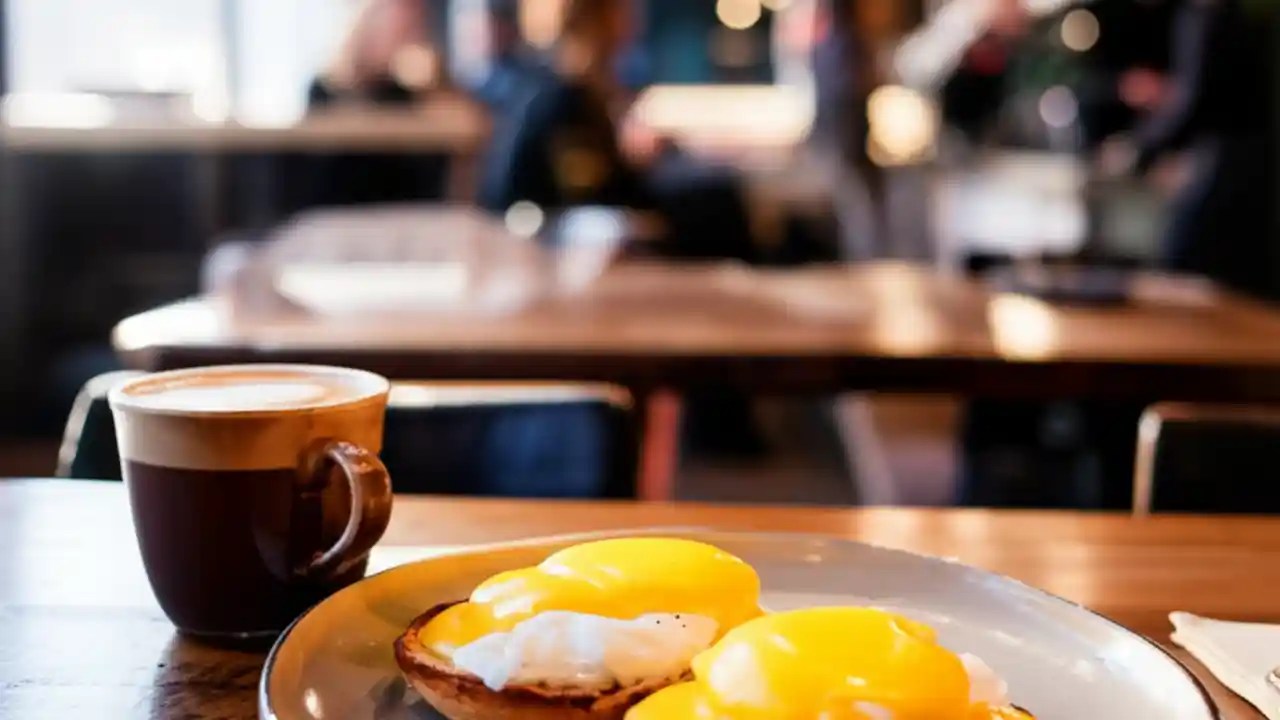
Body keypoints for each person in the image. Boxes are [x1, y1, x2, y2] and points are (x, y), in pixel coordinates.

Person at [1099, 0, 1277, 298]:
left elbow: (1193, 101)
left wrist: (1137, 148)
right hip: (1253, 167)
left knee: (1179, 266)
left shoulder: (1204, 14)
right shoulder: (1236, 16)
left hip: (1223, 168)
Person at [477, 0, 648, 213]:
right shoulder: (563, 98)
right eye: (624, 12)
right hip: (545, 237)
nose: (633, 25)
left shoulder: (551, 85)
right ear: (599, 20)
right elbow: (591, 195)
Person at [303, 0, 447, 207]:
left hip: (397, 211)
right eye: (399, 31)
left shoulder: (403, 93)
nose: (404, 42)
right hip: (336, 210)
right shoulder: (323, 89)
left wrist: (433, 89)